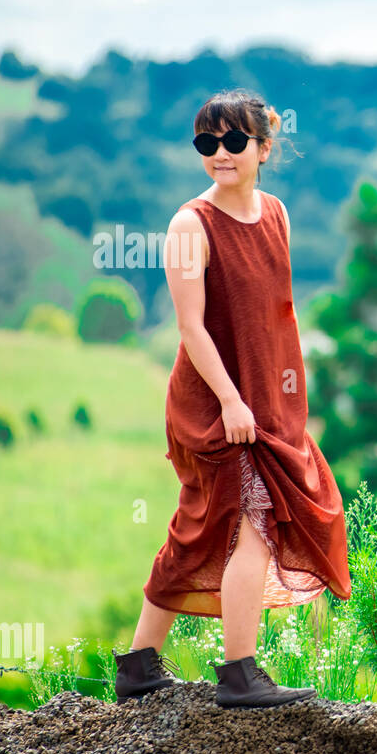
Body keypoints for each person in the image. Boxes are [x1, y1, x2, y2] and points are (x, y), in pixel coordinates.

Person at [114, 88, 352, 708]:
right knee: (255, 523)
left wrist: (285, 403)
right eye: (206, 143)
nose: (220, 153)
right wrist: (231, 402)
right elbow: (191, 328)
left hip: (261, 401)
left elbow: (278, 317)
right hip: (213, 403)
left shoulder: (277, 214)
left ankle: (139, 664)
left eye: (234, 141)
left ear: (264, 147)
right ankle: (240, 673)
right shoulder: (189, 225)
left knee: (199, 528)